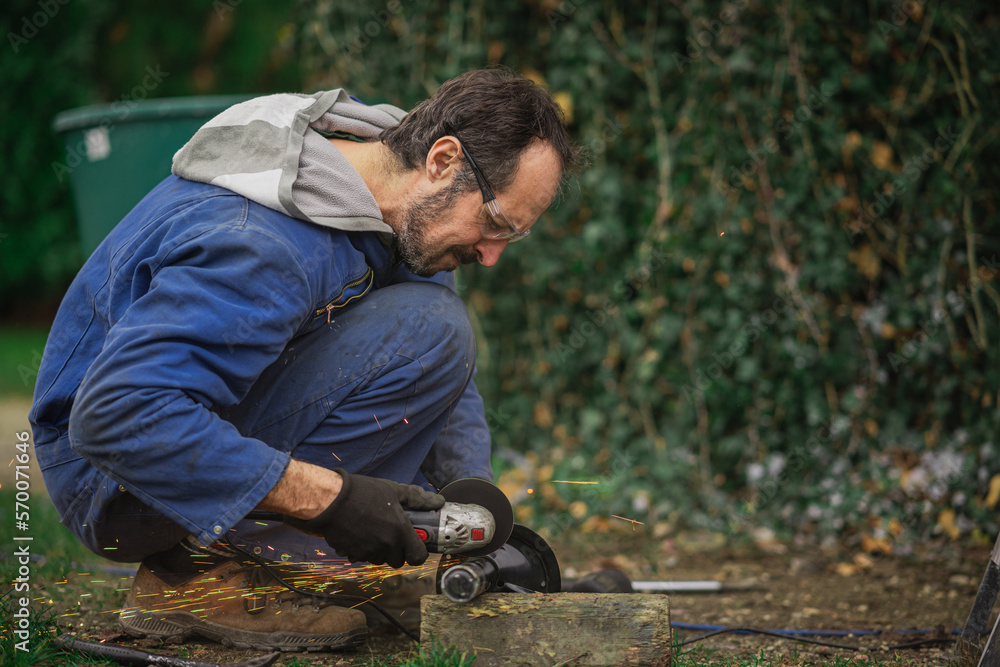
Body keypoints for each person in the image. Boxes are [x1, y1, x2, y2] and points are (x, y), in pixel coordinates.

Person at [29, 67, 580, 651]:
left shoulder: (387, 193)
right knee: (430, 326)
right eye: (494, 223)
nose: (491, 255)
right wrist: (332, 501)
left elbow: (439, 367)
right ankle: (199, 574)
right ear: (443, 160)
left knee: (431, 322)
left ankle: (284, 564)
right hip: (113, 479)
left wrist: (470, 499)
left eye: (509, 238)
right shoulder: (261, 243)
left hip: (163, 439)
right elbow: (119, 414)